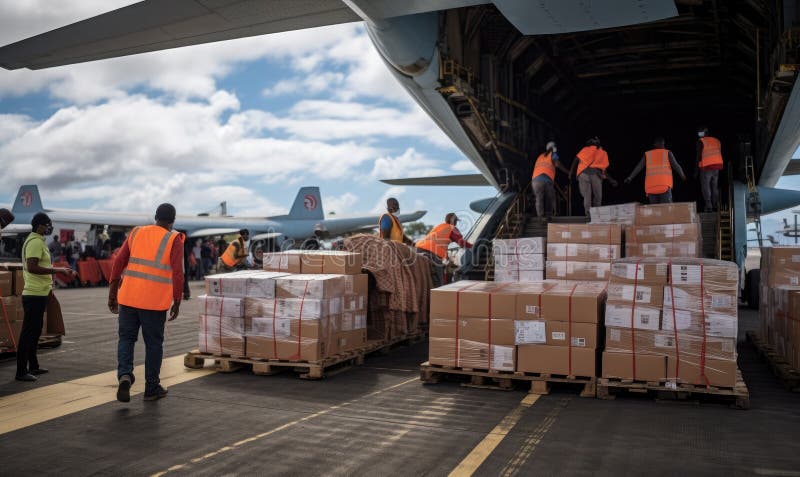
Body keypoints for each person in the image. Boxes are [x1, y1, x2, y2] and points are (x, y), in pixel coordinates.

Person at [108, 204, 184, 402]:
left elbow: (118, 261)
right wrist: (177, 300)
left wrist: (112, 292)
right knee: (153, 344)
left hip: (128, 298)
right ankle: (151, 387)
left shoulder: (136, 232)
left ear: (156, 216)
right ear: (172, 220)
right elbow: (177, 272)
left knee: (126, 339)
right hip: (154, 302)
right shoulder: (174, 238)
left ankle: (125, 374)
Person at [16, 213, 77, 382]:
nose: (49, 227)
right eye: (47, 224)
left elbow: (39, 265)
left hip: (40, 292)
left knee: (35, 331)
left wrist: (60, 271)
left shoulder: (37, 241)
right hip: (34, 294)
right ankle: (21, 371)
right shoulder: (35, 242)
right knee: (28, 333)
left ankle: (33, 366)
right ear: (39, 226)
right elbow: (32, 267)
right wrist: (58, 271)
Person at [415, 213, 473, 287]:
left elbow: (440, 243)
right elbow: (461, 243)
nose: (456, 223)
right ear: (453, 220)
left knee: (423, 276)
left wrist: (446, 258)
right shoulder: (452, 228)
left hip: (419, 248)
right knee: (438, 278)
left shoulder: (440, 226)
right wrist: (473, 246)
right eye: (456, 220)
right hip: (431, 252)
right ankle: (438, 295)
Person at [624, 137, 687, 204]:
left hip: (651, 188)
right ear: (662, 144)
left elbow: (639, 167)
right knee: (667, 209)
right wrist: (682, 175)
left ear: (654, 144)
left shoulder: (648, 154)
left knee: (655, 211)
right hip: (664, 186)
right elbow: (676, 166)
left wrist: (630, 177)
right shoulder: (667, 153)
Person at [570, 137, 619, 215]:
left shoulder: (585, 149)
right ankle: (596, 213)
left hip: (583, 173)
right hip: (595, 174)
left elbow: (576, 159)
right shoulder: (603, 152)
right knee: (598, 195)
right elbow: (604, 170)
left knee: (586, 195)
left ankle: (588, 213)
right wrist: (611, 180)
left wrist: (571, 172)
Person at [531, 141, 570, 220]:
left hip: (535, 180)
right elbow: (557, 164)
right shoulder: (552, 154)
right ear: (553, 148)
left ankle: (540, 216)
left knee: (539, 198)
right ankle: (552, 213)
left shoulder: (540, 156)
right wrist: (568, 171)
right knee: (551, 196)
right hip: (546, 178)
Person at [696, 127, 724, 212]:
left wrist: (696, 170)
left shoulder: (701, 141)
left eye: (701, 133)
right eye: (699, 133)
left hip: (706, 167)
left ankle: (709, 206)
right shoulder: (717, 140)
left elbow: (698, 156)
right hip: (717, 166)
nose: (700, 135)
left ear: (706, 133)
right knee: (714, 186)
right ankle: (715, 205)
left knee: (706, 187)